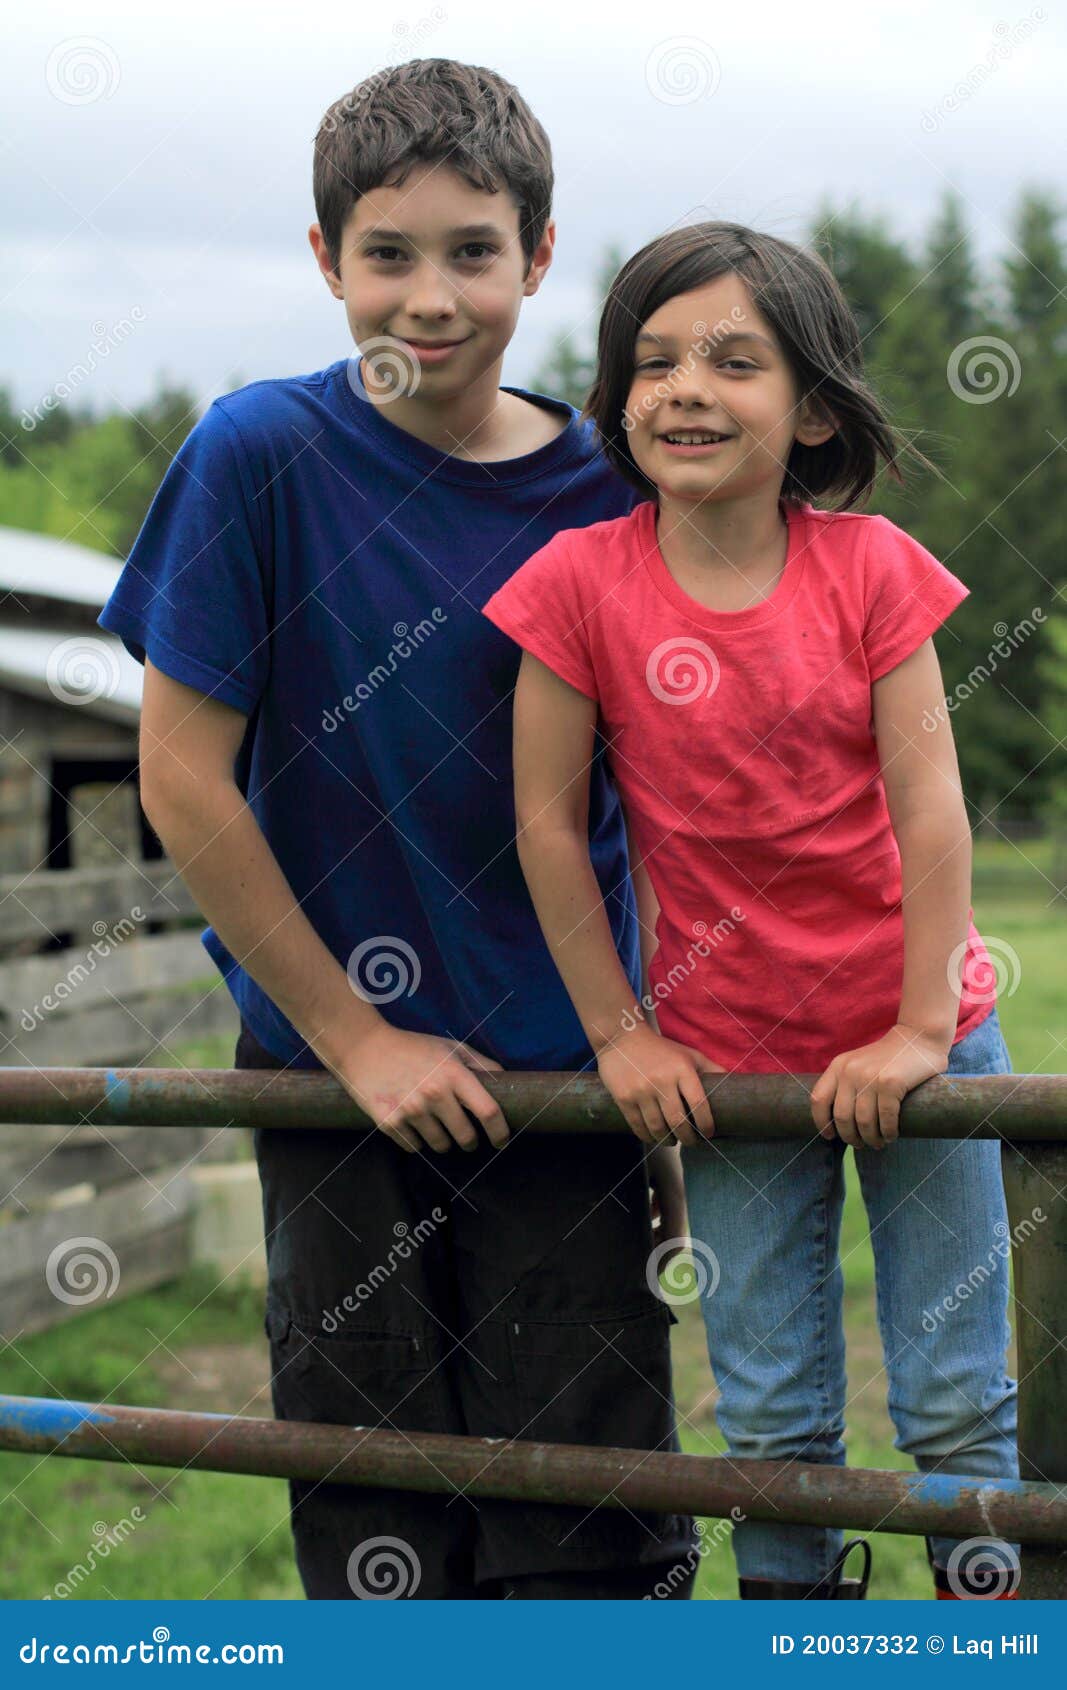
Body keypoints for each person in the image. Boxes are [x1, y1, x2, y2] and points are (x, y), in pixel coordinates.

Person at [97, 58, 696, 1600]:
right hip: (330, 1085)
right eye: (389, 253)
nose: (431, 297)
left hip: (564, 1084)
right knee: (378, 1533)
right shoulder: (256, 457)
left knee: (590, 1528)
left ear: (540, 255)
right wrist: (358, 1040)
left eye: (474, 252)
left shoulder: (617, 491)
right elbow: (181, 776)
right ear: (324, 263)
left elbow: (703, 772)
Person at [482, 220, 1020, 1601]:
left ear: (816, 404)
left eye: (734, 358)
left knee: (958, 1406)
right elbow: (547, 822)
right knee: (774, 1422)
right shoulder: (577, 585)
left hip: (924, 1045)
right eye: (652, 360)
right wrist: (622, 1038)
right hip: (727, 1062)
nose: (685, 387)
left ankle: (990, 1638)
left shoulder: (871, 569)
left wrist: (915, 1029)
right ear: (614, 398)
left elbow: (931, 811)